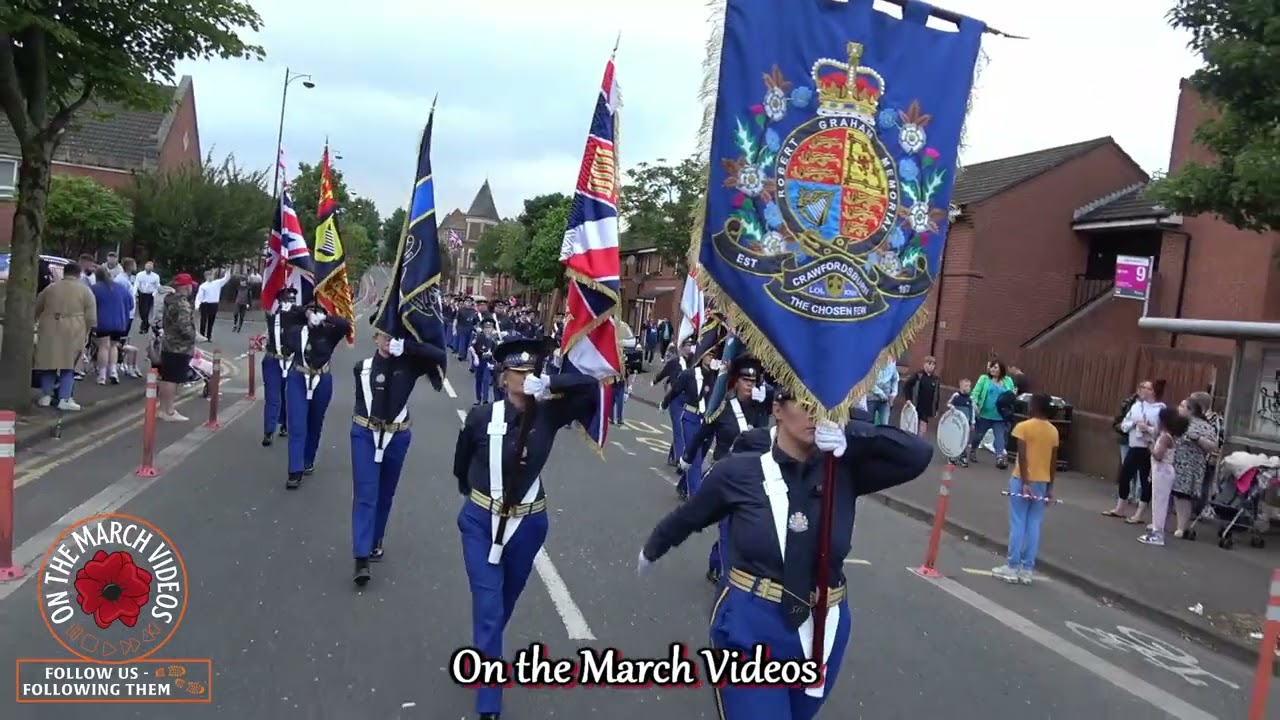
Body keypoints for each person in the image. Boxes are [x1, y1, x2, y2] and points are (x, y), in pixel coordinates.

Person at [638, 384, 933, 719]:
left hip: (823, 627)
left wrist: (852, 433)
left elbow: (917, 454)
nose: (814, 415)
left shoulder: (841, 470)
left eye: (822, 408)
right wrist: (653, 548)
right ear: (778, 409)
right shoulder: (739, 472)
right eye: (804, 404)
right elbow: (688, 517)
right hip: (752, 623)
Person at [453, 337, 598, 720]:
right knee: (487, 605)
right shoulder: (482, 415)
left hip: (528, 523)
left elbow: (590, 389)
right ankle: (489, 699)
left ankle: (486, 649)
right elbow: (461, 462)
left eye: (530, 371)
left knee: (504, 602)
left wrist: (552, 383)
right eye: (518, 373)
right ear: (504, 379)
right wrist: (476, 499)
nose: (525, 378)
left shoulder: (549, 414)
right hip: (481, 522)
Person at [350, 319, 445, 585]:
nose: (389, 341)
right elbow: (361, 405)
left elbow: (438, 354)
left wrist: (411, 347)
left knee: (386, 492)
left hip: (397, 434)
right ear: (375, 338)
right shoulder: (363, 368)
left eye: (394, 337)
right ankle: (361, 557)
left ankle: (375, 536)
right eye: (384, 336)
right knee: (366, 494)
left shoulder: (409, 365)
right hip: (365, 434)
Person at [681, 355, 771, 585]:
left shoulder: (761, 408)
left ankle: (715, 562)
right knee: (726, 527)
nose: (750, 384)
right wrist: (688, 458)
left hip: (752, 478)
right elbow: (703, 434)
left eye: (754, 381)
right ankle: (727, 579)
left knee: (738, 530)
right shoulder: (722, 405)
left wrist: (766, 400)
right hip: (726, 475)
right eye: (745, 380)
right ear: (736, 381)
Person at [281, 300, 352, 489]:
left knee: (315, 422)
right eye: (312, 312)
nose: (314, 315)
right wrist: (305, 312)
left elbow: (345, 325)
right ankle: (294, 470)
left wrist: (325, 318)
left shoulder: (329, 334)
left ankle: (307, 460)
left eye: (317, 312)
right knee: (297, 424)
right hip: (298, 377)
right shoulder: (296, 331)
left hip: (321, 380)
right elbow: (285, 315)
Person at [992, 393, 1060, 584]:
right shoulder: (1053, 431)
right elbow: (1052, 462)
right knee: (1034, 524)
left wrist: (1025, 483)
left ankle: (1012, 566)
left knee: (1017, 522)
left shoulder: (1023, 427)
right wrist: (1050, 488)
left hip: (1022, 479)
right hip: (1042, 481)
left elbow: (1022, 457)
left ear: (1035, 407)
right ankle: (1027, 568)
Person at [660, 344, 720, 501]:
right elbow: (675, 391)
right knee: (696, 458)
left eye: (713, 355)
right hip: (691, 418)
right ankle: (695, 499)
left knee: (700, 455)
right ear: (701, 356)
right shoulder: (689, 374)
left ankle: (682, 486)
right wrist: (664, 403)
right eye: (708, 354)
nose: (710, 358)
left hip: (707, 422)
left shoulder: (717, 378)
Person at [34, 262, 96, 411]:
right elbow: (91, 317)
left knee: (48, 362)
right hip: (73, 328)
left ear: (64, 273)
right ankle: (65, 398)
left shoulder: (50, 289)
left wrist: (36, 322)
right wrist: (87, 332)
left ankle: (46, 396)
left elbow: (36, 308)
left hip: (49, 327)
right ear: (78, 274)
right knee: (68, 365)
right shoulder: (85, 291)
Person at [1104, 378, 1166, 523]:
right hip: (1134, 444)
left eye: (1146, 388)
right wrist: (1133, 424)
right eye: (1141, 387)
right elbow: (1124, 423)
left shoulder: (1161, 409)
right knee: (1125, 475)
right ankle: (1121, 507)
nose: (1142, 390)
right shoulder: (1136, 406)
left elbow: (1161, 430)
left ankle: (1139, 513)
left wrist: (1148, 428)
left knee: (1145, 480)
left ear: (1153, 392)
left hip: (1148, 447)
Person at [1139, 407, 1187, 547]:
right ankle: (1156, 530)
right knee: (1158, 501)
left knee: (1159, 502)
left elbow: (1158, 456)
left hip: (1163, 470)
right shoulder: (1166, 435)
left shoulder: (1165, 437)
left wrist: (1149, 445)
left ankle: (1158, 533)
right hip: (1162, 470)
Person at [156, 273, 198, 422]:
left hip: (168, 344)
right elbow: (184, 326)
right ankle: (169, 410)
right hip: (179, 347)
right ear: (186, 287)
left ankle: (162, 409)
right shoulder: (182, 303)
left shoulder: (169, 300)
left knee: (166, 377)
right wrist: (195, 337)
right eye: (191, 286)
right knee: (172, 379)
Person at [260, 287, 298, 447]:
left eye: (293, 300)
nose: (290, 303)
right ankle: (269, 431)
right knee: (273, 397)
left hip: (291, 362)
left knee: (288, 395)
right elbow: (267, 305)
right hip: (273, 360)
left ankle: (285, 423)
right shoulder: (273, 317)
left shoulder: (299, 319)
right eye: (287, 300)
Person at [654, 336, 696, 467]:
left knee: (683, 428)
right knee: (679, 428)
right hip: (675, 398)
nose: (689, 348)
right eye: (687, 345)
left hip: (687, 399)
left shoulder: (693, 363)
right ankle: (679, 459)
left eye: (691, 345)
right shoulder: (674, 362)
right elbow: (664, 373)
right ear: (681, 347)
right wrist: (654, 381)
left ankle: (673, 455)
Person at [968, 360, 1016, 469]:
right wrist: (975, 403)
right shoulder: (984, 379)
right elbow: (975, 393)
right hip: (984, 414)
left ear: (1001, 370)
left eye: (996, 368)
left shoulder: (1008, 380)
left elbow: (1011, 395)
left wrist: (1013, 394)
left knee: (999, 436)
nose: (993, 369)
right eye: (992, 367)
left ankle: (999, 457)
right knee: (978, 435)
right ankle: (973, 450)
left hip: (999, 415)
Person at [90, 267, 132, 385]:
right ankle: (113, 372)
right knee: (113, 346)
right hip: (119, 322)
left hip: (102, 322)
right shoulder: (121, 288)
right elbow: (131, 304)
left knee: (103, 347)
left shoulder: (94, 289)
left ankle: (102, 375)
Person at [901, 355, 941, 434]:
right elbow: (907, 386)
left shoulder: (936, 379)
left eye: (933, 364)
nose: (931, 366)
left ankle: (919, 441)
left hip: (926, 408)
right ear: (924, 364)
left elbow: (937, 395)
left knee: (922, 430)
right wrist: (908, 399)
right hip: (916, 405)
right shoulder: (918, 375)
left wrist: (936, 409)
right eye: (929, 364)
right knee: (913, 427)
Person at [194, 269, 231, 341]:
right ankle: (202, 335)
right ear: (206, 277)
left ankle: (209, 336)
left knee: (211, 320)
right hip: (205, 304)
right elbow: (199, 297)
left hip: (214, 304)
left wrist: (228, 271)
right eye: (209, 276)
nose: (211, 277)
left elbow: (226, 278)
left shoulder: (217, 283)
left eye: (211, 275)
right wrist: (197, 306)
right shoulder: (203, 286)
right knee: (203, 320)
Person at [469, 318, 499, 406]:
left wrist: (492, 354)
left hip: (490, 362)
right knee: (478, 379)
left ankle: (485, 400)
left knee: (486, 379)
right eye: (486, 328)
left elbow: (499, 351)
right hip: (480, 360)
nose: (488, 330)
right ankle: (478, 398)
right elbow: (471, 346)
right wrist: (475, 357)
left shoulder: (496, 338)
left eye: (490, 328)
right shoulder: (479, 336)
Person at [946, 379, 974, 467]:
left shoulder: (970, 398)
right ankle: (953, 456)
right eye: (966, 386)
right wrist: (952, 407)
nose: (968, 388)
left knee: (964, 440)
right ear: (961, 386)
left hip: (966, 424)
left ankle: (963, 457)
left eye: (969, 386)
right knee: (955, 439)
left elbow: (972, 411)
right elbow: (948, 404)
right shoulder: (956, 396)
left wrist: (972, 422)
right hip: (956, 423)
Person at [134, 261, 161, 333]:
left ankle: (143, 328)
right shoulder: (140, 275)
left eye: (150, 266)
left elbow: (157, 286)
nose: (148, 268)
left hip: (150, 295)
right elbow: (136, 283)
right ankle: (146, 323)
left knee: (146, 310)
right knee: (141, 311)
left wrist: (154, 294)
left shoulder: (155, 276)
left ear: (152, 268)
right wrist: (135, 292)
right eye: (147, 266)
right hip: (141, 294)